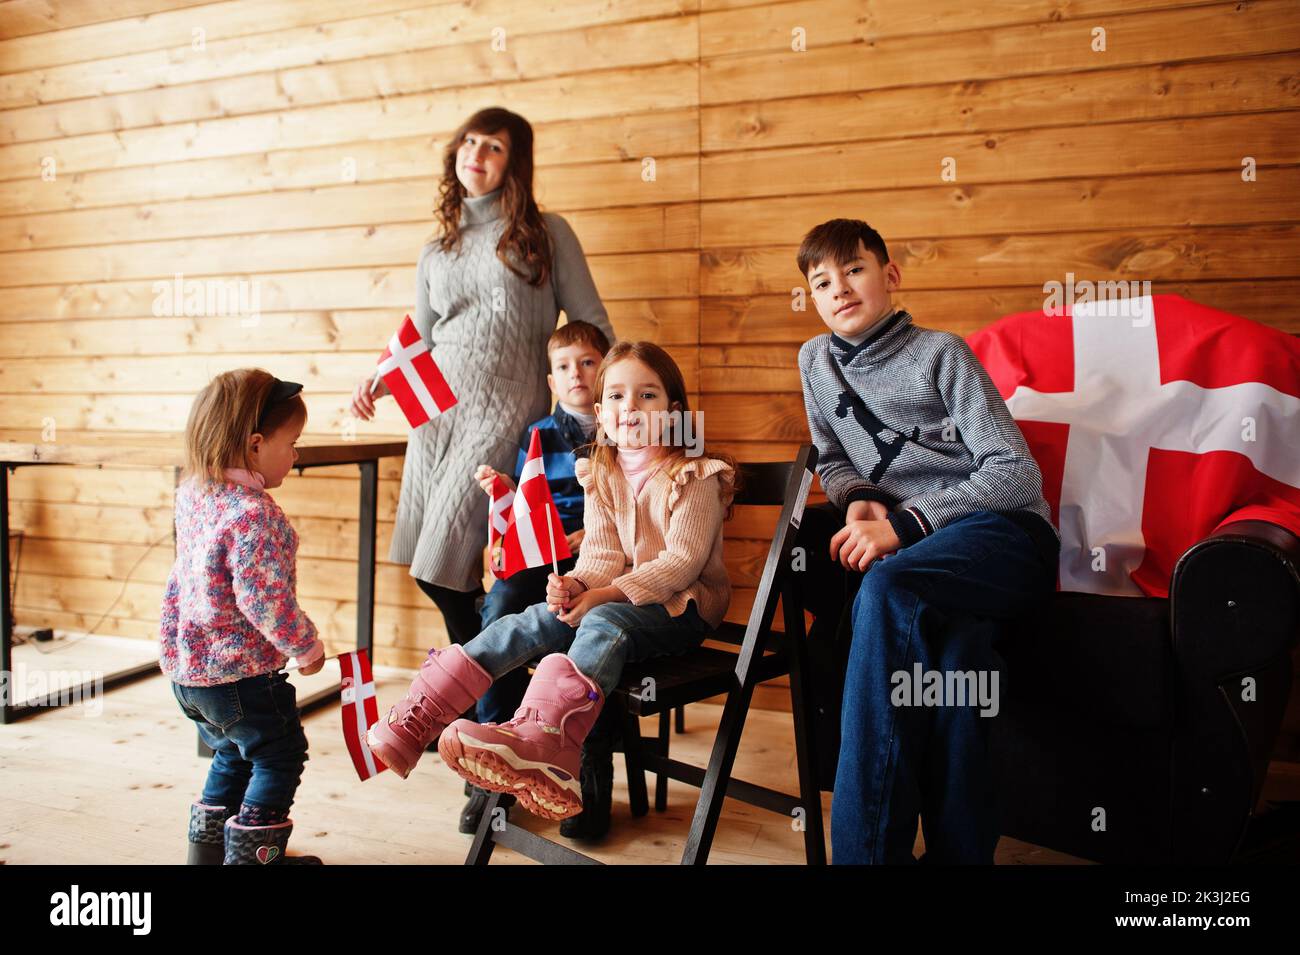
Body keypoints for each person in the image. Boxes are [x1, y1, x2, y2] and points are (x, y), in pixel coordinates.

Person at [368, 342, 738, 822]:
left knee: (603, 620)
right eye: (620, 397)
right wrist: (579, 584)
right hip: (621, 602)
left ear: (674, 412)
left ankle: (546, 740)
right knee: (536, 619)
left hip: (683, 609)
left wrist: (601, 595)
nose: (632, 408)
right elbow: (602, 553)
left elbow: (681, 563)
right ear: (602, 415)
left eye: (648, 395)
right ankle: (423, 715)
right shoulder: (602, 474)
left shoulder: (694, 475)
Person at [793, 218, 1060, 864]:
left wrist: (903, 525)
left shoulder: (942, 353)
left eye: (854, 270)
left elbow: (1014, 471)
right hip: (922, 556)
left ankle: (863, 857)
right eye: (821, 281)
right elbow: (831, 459)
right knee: (958, 668)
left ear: (891, 276)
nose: (840, 289)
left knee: (886, 586)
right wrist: (859, 501)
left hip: (1003, 538)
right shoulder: (815, 362)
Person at [348, 106, 616, 658]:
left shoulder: (545, 233)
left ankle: (473, 681)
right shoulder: (437, 246)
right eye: (469, 141)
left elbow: (594, 324)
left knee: (444, 559)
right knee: (430, 565)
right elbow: (420, 332)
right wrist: (378, 377)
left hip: (505, 406)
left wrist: (610, 404)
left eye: (493, 146)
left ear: (513, 162)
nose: (477, 153)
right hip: (435, 410)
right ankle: (483, 678)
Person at [162, 369, 326, 865]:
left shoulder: (194, 492)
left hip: (190, 672)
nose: (296, 455)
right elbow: (264, 601)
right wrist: (306, 647)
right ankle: (253, 858)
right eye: (292, 443)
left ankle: (206, 853)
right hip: (240, 675)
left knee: (233, 751)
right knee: (278, 752)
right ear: (255, 446)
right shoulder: (256, 514)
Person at [462, 319, 618, 838]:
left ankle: (584, 770)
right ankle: (494, 757)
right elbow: (533, 504)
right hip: (548, 552)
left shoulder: (623, 425)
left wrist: (588, 539)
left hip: (607, 557)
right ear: (551, 381)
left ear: (606, 366)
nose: (577, 374)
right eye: (565, 367)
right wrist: (508, 490)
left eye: (589, 362)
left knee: (588, 628)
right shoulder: (539, 434)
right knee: (502, 600)